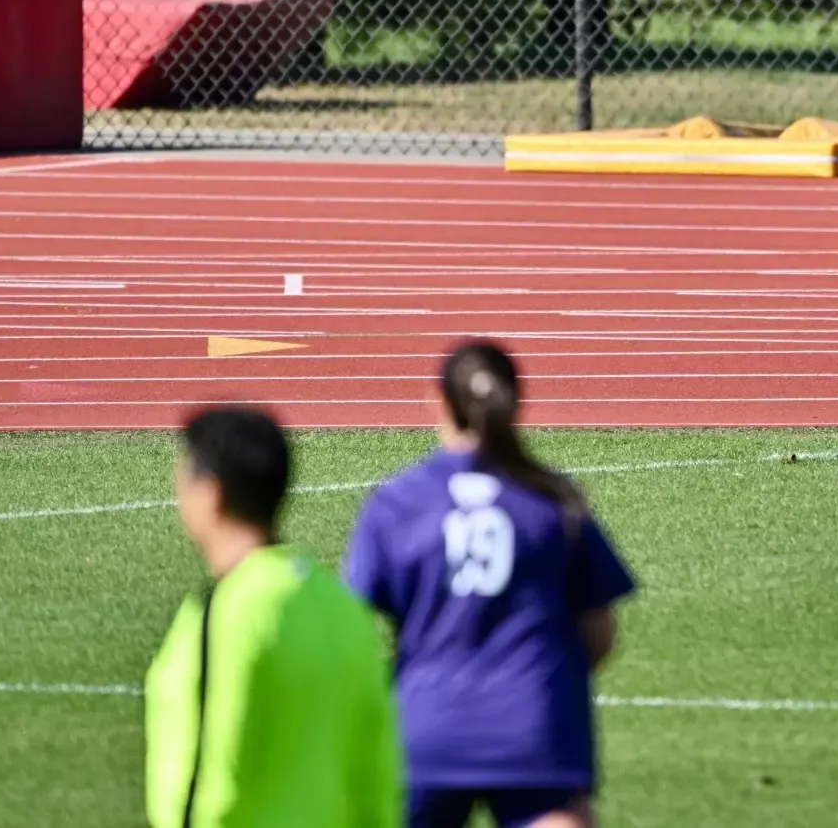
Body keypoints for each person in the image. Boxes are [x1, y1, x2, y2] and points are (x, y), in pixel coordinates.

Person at [342, 341, 637, 828]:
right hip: (535, 726)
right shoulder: (552, 501)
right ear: (515, 402)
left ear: (439, 403)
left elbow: (350, 626)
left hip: (427, 728)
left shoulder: (399, 503)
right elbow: (600, 637)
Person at [145, 407, 403, 828]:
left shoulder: (226, 613)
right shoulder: (339, 605)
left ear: (210, 494)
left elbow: (210, 767)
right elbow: (378, 762)